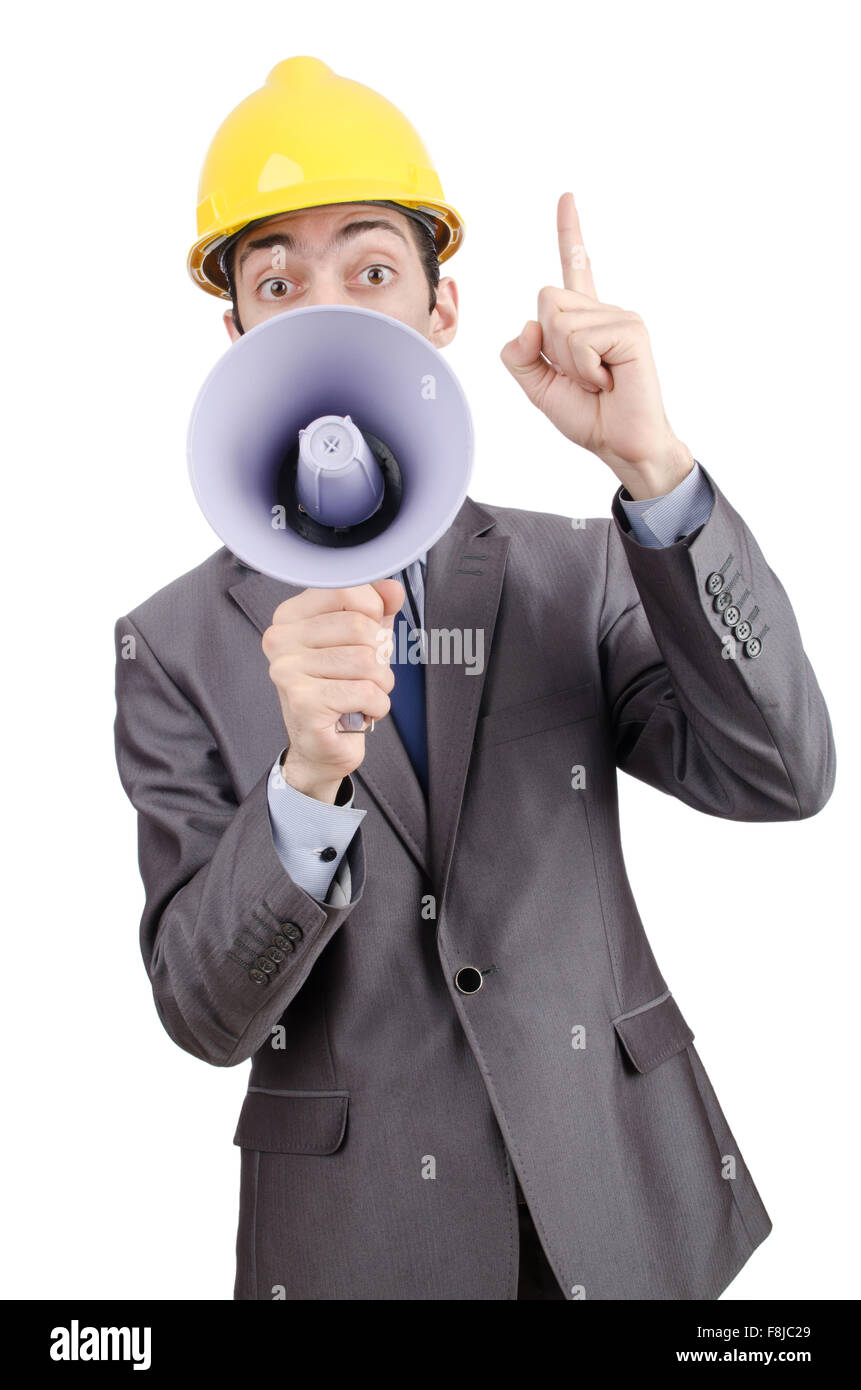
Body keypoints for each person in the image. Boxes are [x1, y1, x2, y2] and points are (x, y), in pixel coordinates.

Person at [113, 56, 836, 1301]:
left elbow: (782, 774)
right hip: (361, 1250)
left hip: (621, 1215)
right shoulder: (171, 645)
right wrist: (304, 780)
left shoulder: (579, 567)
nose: (327, 309)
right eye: (278, 280)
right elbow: (205, 1012)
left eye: (373, 268)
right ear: (234, 335)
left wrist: (657, 472)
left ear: (442, 311)